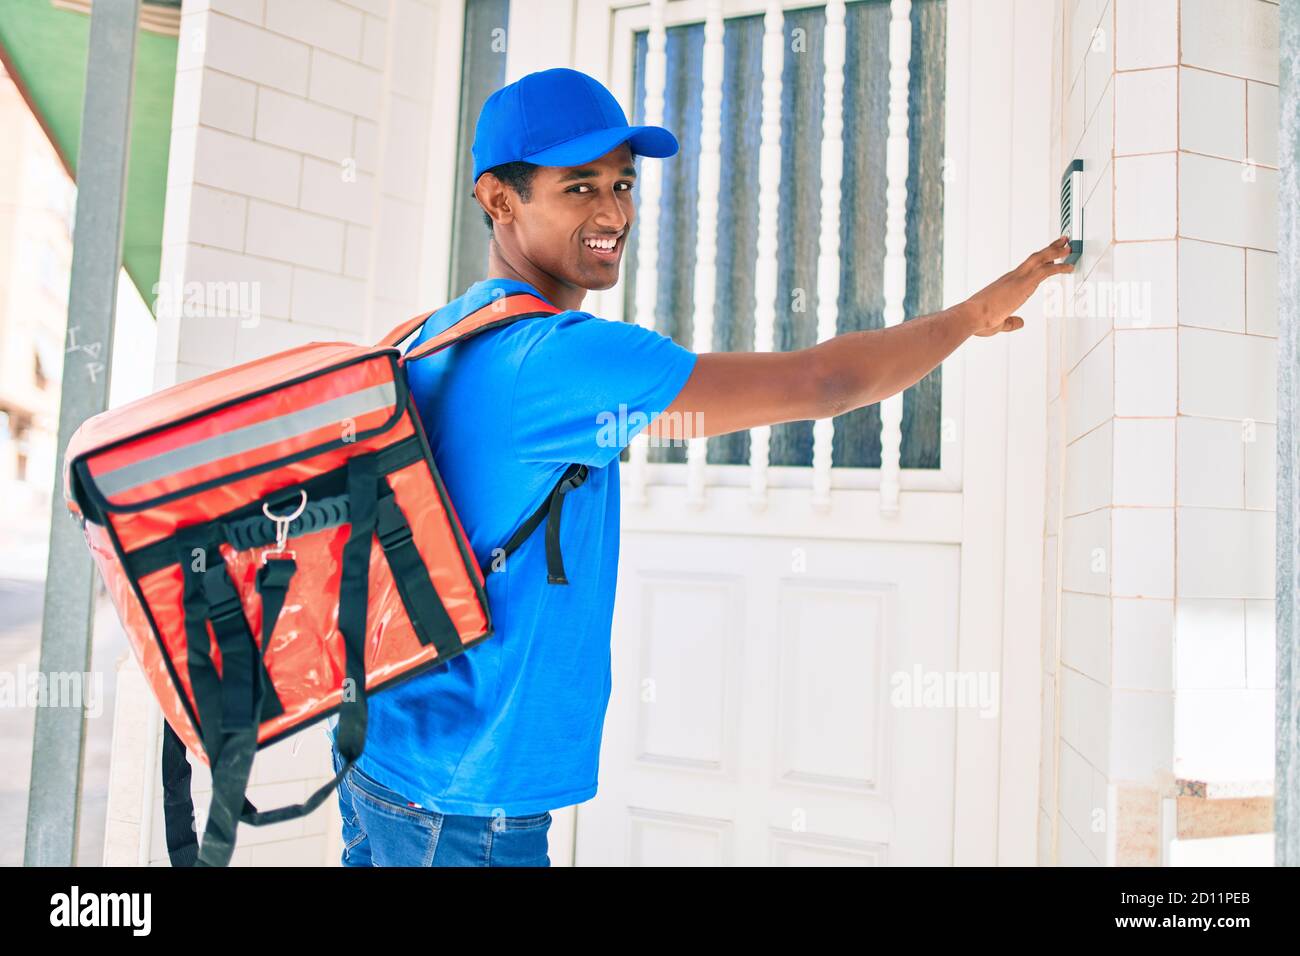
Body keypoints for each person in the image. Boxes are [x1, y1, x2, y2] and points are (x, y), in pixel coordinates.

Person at [328, 67, 1073, 867]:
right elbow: (820, 383)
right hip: (467, 806)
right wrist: (968, 317)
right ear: (499, 200)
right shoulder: (558, 361)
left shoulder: (434, 335)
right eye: (579, 187)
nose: (613, 212)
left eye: (622, 183)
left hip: (381, 761)